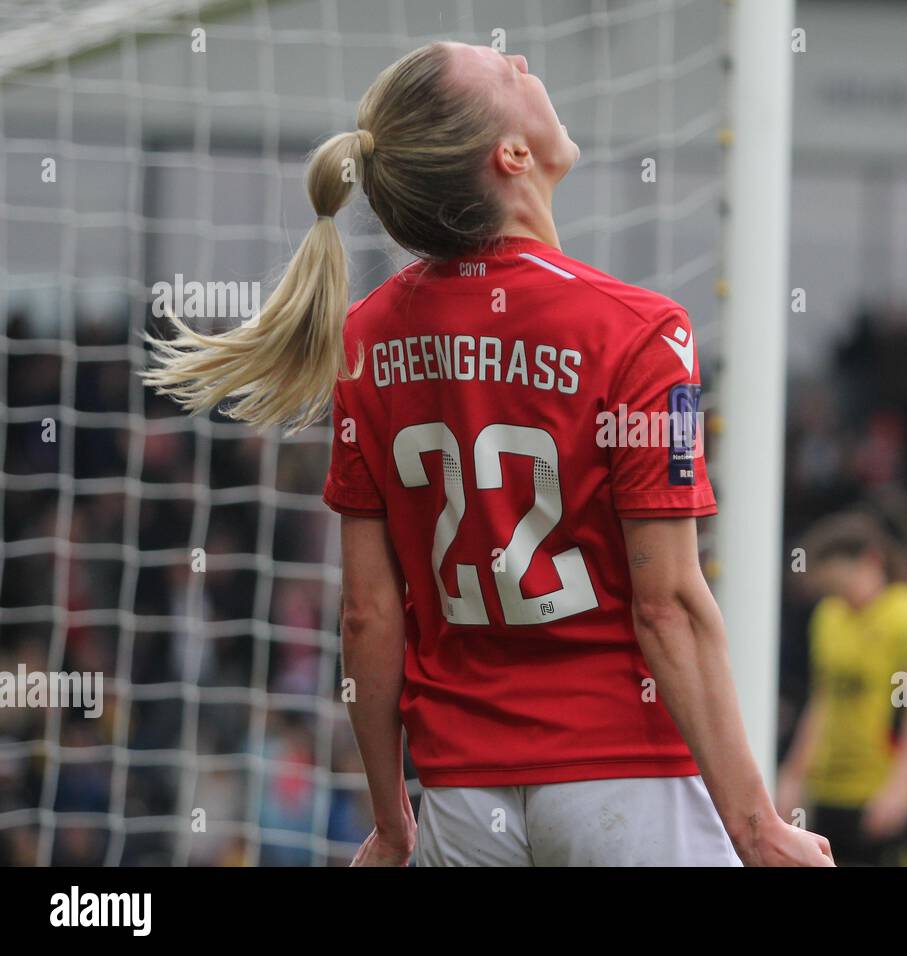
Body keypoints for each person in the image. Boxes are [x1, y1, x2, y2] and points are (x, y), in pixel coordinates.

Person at [143, 40, 832, 868]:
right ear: (510, 155)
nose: (528, 62)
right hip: (625, 784)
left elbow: (366, 614)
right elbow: (668, 607)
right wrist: (756, 825)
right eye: (510, 70)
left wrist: (393, 822)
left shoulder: (364, 340)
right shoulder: (641, 332)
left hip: (462, 802)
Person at [777, 511, 907, 865]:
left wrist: (902, 787)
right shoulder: (829, 616)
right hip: (829, 792)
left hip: (882, 792)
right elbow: (823, 701)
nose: (839, 597)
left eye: (843, 585)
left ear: (872, 560)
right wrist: (794, 776)